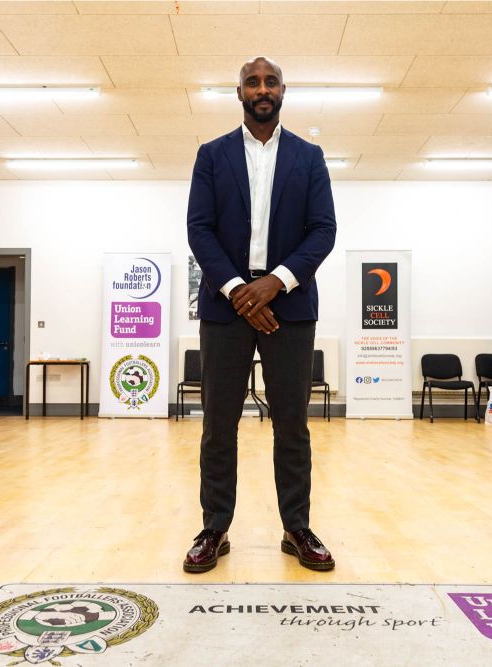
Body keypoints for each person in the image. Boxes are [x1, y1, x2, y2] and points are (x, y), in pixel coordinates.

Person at [184, 57, 337, 573]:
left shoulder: (310, 157)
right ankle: (214, 528)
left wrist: (274, 283)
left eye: (271, 81)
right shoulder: (211, 156)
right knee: (218, 424)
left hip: (289, 306)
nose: (262, 89)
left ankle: (296, 528)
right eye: (253, 82)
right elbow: (199, 229)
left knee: (292, 423)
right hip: (226, 307)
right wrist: (238, 290)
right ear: (240, 92)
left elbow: (323, 231)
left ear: (283, 91)